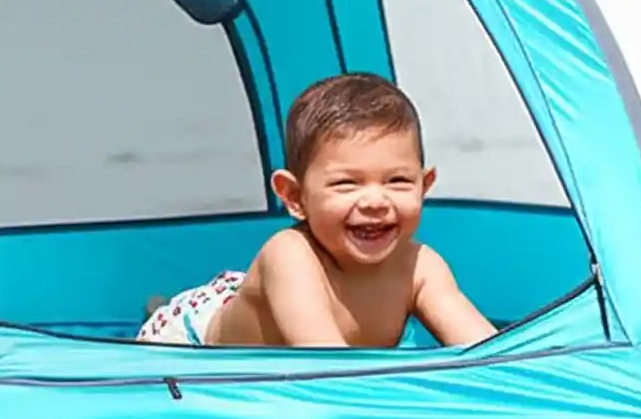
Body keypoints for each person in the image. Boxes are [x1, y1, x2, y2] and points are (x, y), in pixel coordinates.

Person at [136, 72, 496, 348]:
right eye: (346, 184)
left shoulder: (420, 267)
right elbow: (330, 368)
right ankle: (157, 308)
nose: (375, 201)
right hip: (193, 346)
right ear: (294, 197)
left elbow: (491, 353)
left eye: (398, 181)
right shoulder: (290, 256)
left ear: (425, 185)